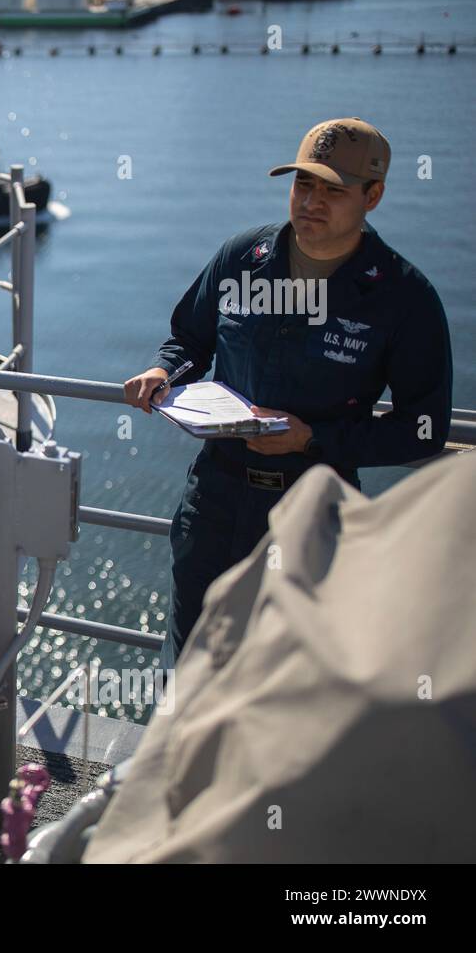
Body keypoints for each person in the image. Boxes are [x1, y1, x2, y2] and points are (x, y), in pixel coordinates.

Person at [123, 118, 452, 668]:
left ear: (373, 196)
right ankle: (177, 756)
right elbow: (189, 339)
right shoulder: (243, 258)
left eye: (333, 190)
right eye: (303, 185)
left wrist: (311, 439)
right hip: (213, 500)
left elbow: (423, 430)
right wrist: (164, 372)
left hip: (311, 511)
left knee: (284, 675)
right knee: (189, 658)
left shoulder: (403, 298)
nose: (312, 202)